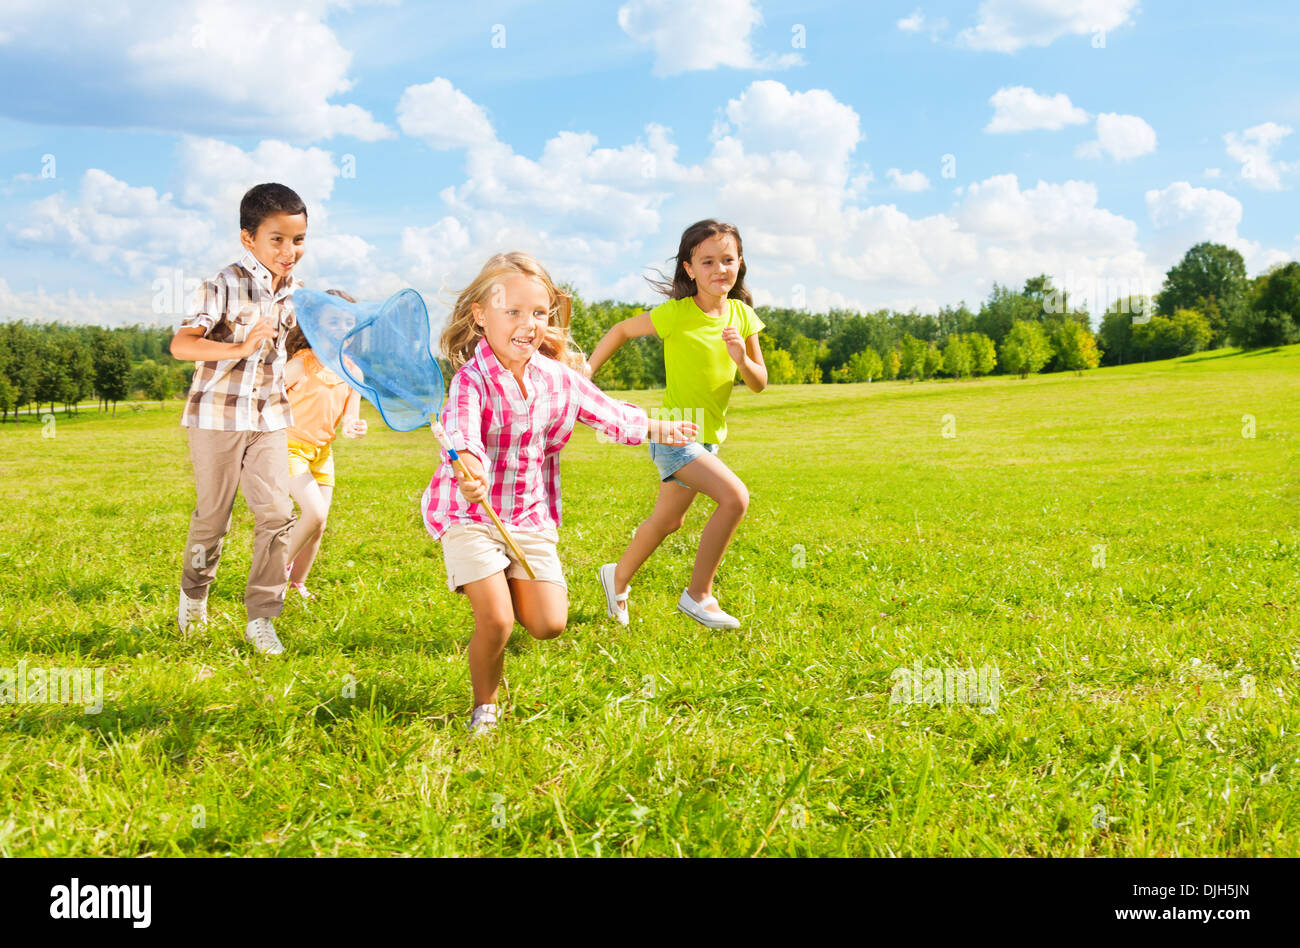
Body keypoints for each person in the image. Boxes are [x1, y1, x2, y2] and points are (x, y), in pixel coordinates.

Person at [421, 251, 698, 734]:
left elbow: (608, 413)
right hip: (471, 513)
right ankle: (484, 706)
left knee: (549, 624)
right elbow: (462, 432)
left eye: (538, 313)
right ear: (480, 316)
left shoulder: (557, 378)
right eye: (512, 311)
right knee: (498, 622)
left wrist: (659, 427)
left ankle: (501, 580)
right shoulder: (472, 380)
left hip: (528, 515)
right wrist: (469, 465)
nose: (527, 324)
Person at [586, 220, 767, 630]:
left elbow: (759, 383)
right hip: (674, 434)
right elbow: (620, 330)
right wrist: (587, 373)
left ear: (740, 263)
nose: (719, 269)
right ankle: (698, 595)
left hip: (709, 439)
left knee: (668, 522)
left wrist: (741, 359)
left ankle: (615, 577)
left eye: (728, 260)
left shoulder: (743, 316)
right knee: (735, 498)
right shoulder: (677, 314)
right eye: (708, 261)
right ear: (689, 268)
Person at [169, 182, 309, 656]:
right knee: (213, 518)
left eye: (298, 240)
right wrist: (240, 346)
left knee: (277, 514)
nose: (290, 251)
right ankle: (193, 596)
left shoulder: (295, 291)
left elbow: (296, 350)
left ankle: (262, 618)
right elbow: (182, 345)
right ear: (248, 238)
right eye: (278, 239)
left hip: (268, 416)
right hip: (217, 417)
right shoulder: (223, 284)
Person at [281, 304, 367, 601]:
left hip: (321, 454)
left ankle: (295, 584)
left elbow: (349, 417)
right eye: (333, 321)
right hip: (289, 448)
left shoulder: (353, 370)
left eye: (347, 321)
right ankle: (272, 577)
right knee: (314, 513)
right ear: (315, 326)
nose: (342, 326)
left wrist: (354, 427)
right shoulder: (301, 364)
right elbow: (265, 396)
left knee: (319, 525)